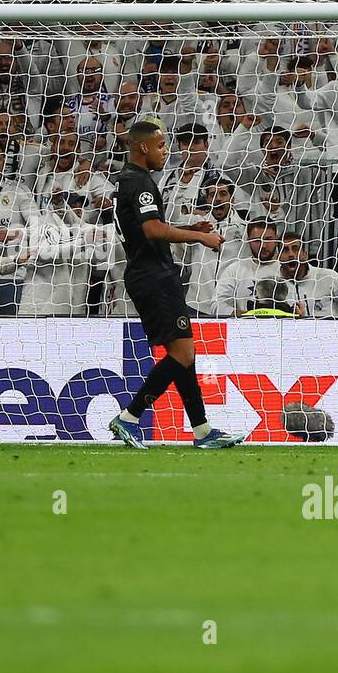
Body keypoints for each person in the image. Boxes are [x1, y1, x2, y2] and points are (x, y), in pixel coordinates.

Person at [107, 119, 244, 451]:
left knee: (185, 354)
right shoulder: (138, 183)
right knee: (183, 353)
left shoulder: (132, 181)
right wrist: (198, 235)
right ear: (143, 147)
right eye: (162, 145)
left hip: (151, 272)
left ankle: (202, 431)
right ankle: (129, 418)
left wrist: (186, 225)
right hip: (153, 276)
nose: (165, 152)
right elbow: (153, 231)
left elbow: (147, 227)